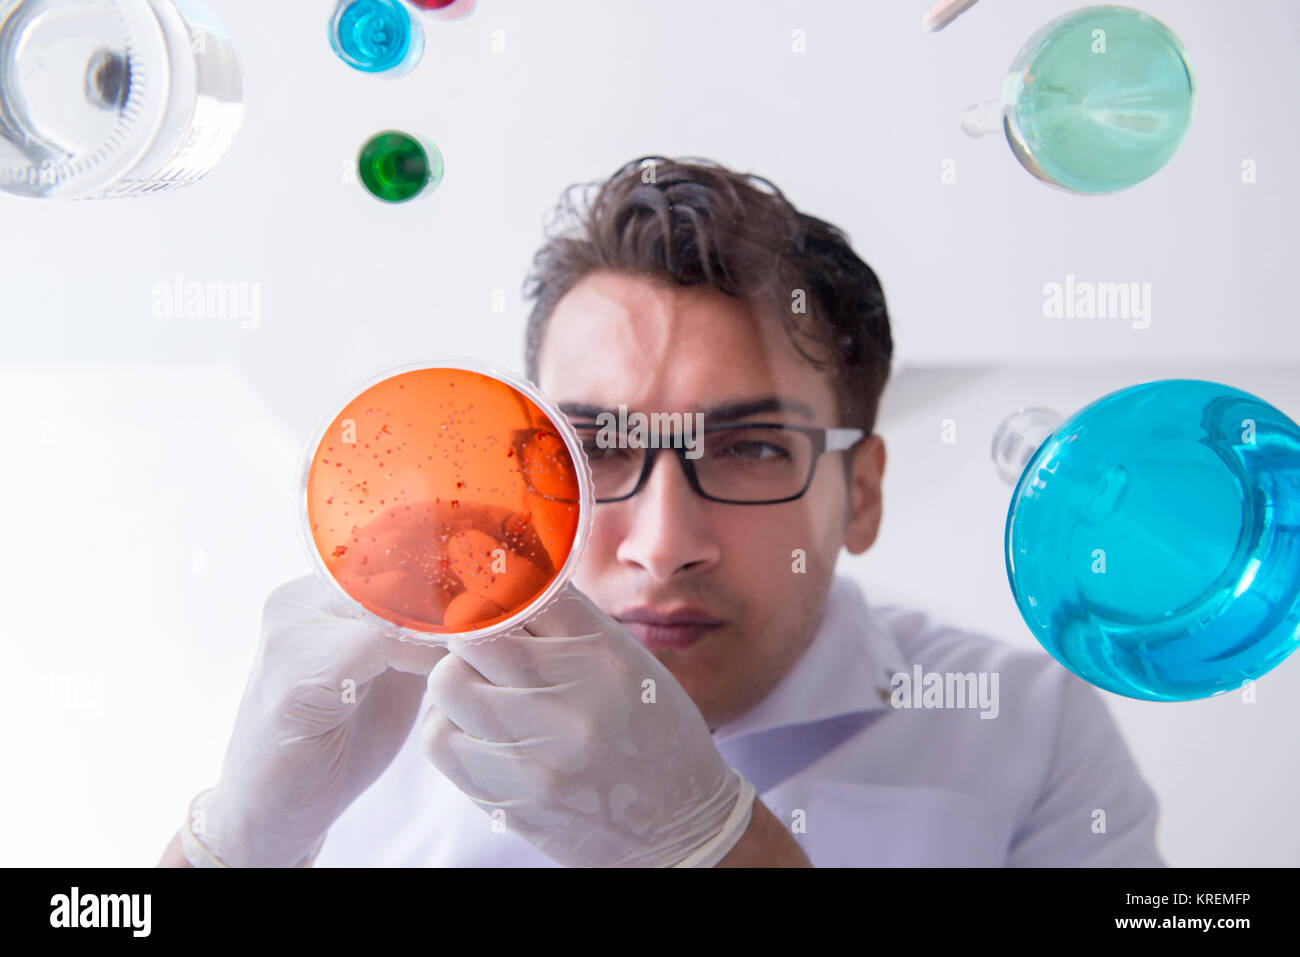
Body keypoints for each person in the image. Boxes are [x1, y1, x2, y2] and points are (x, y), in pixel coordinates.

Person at [158, 156, 1165, 868]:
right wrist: (231, 850)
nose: (661, 544)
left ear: (860, 495)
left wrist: (706, 847)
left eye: (753, 447)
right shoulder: (368, 721)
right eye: (593, 447)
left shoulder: (1028, 732)